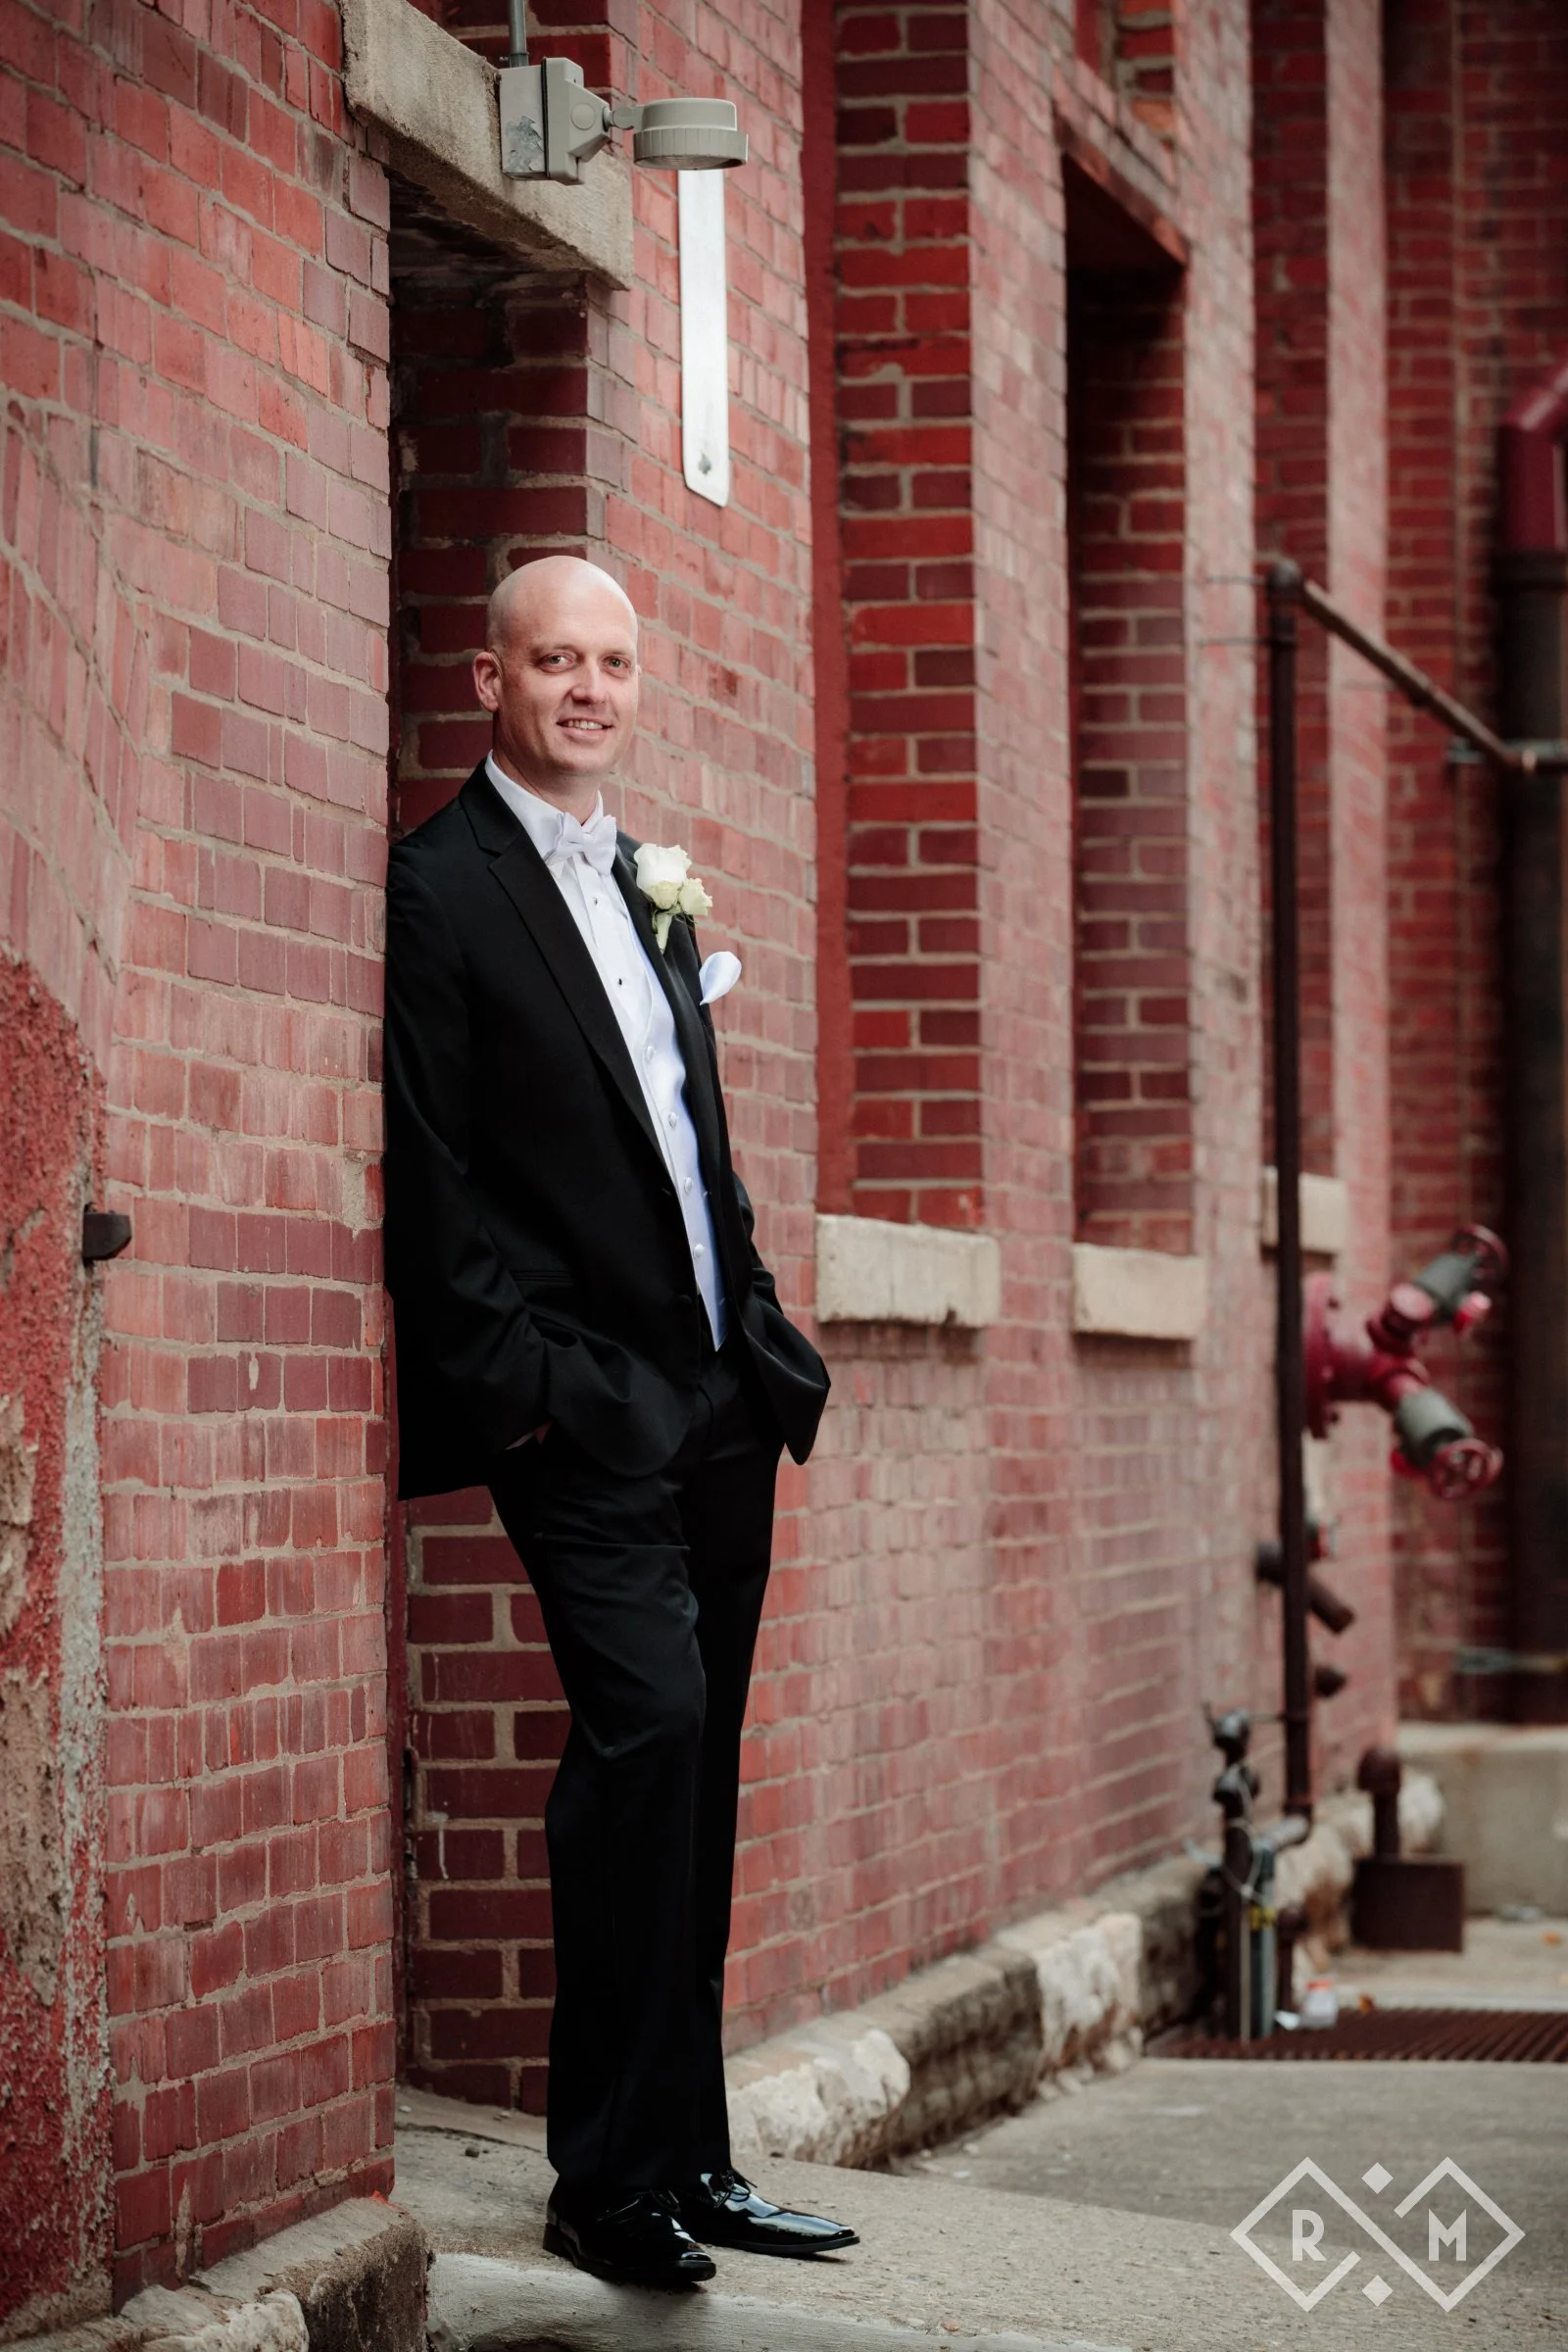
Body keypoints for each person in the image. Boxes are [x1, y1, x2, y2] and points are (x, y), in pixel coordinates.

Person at [382, 555, 857, 2286]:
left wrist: (761, 1323)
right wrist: (534, 1401)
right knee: (643, 1737)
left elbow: (688, 1139)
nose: (588, 689)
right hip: (581, 1415)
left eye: (613, 663)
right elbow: (436, 1182)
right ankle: (601, 2182)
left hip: (722, 1394)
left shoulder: (653, 886)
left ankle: (693, 2162)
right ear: (490, 681)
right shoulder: (438, 889)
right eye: (554, 661)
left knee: (699, 1773)